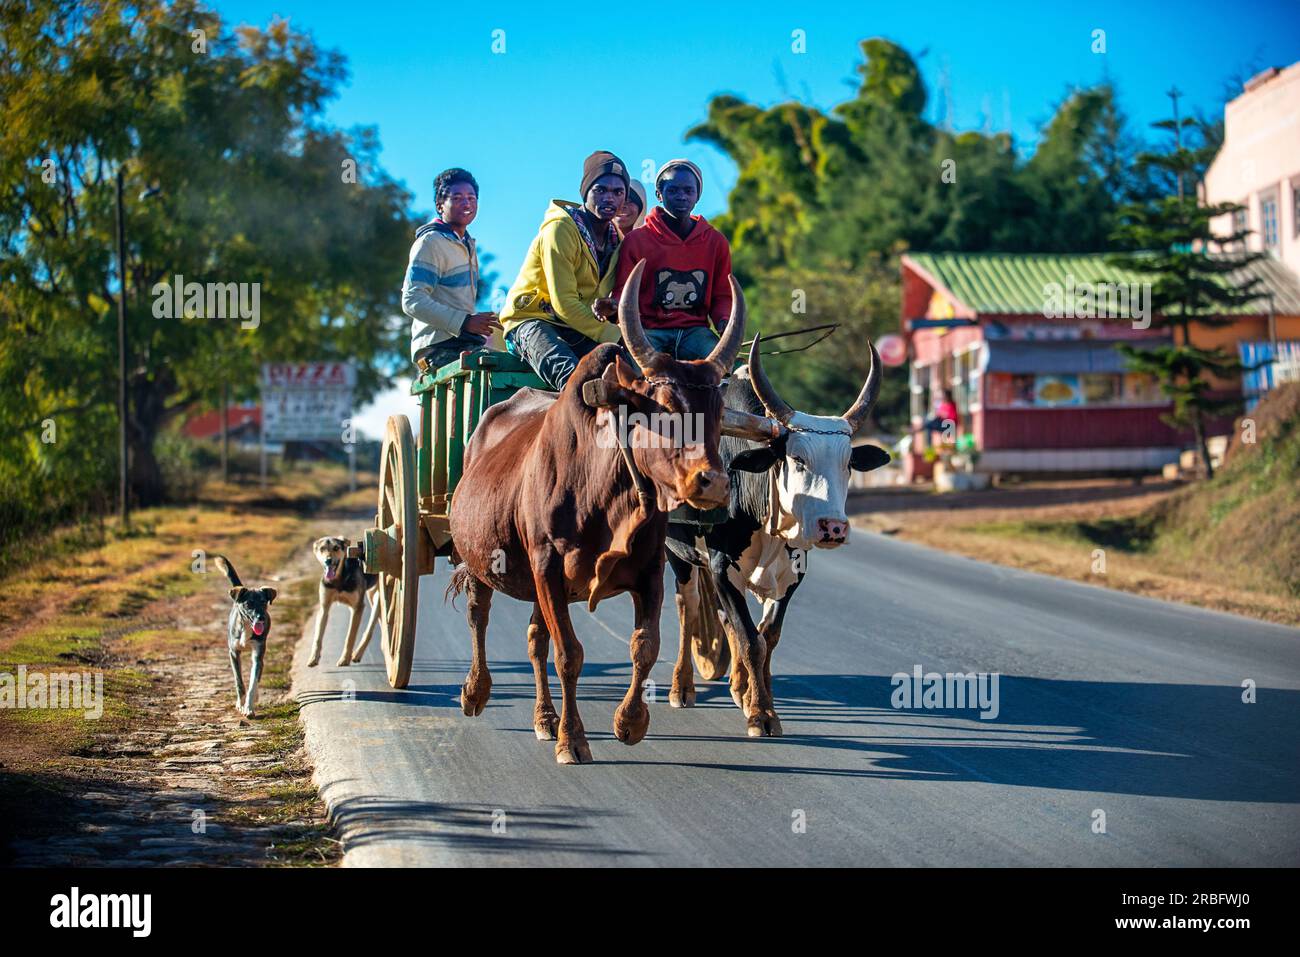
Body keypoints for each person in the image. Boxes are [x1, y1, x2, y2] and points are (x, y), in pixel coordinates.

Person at [500, 151, 629, 391]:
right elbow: (564, 303)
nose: (609, 198)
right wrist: (615, 335)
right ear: (585, 193)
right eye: (600, 190)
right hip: (532, 319)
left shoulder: (616, 241)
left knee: (629, 371)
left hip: (575, 325)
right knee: (575, 381)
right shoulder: (560, 229)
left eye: (617, 192)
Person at [613, 159, 732, 365]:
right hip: (649, 332)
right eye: (673, 190)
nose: (682, 197)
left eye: (688, 191)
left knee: (729, 370)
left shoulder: (715, 242)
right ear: (659, 194)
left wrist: (724, 321)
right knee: (633, 378)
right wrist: (611, 306)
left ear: (697, 195)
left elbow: (722, 295)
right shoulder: (637, 240)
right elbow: (623, 291)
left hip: (695, 332)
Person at [402, 168, 501, 371]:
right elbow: (412, 301)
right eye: (457, 198)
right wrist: (464, 322)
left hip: (461, 341)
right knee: (497, 370)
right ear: (440, 205)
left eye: (471, 198)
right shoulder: (430, 242)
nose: (466, 203)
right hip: (437, 347)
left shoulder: (466, 244)